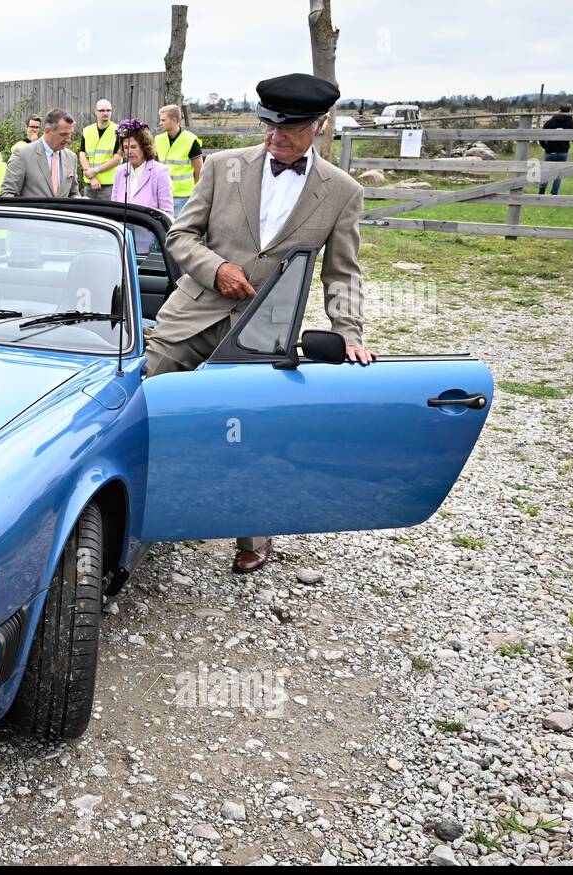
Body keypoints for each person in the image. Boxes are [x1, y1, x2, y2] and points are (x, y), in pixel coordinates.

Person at [145, 73, 374, 575]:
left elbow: (343, 272)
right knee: (146, 410)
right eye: (269, 126)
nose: (275, 137)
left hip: (263, 330)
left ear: (320, 125)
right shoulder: (222, 166)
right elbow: (180, 236)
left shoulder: (343, 191)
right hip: (190, 317)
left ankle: (253, 530)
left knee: (251, 430)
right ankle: (144, 512)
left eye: (289, 129)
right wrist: (217, 269)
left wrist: (349, 333)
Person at [1, 107, 80, 198]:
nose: (69, 140)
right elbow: (7, 194)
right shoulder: (23, 155)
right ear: (47, 131)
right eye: (63, 134)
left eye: (70, 134)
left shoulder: (71, 157)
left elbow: (73, 194)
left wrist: (81, 200)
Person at [110, 119, 173, 215]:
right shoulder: (120, 171)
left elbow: (167, 212)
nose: (129, 151)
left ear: (144, 147)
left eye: (133, 147)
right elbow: (114, 206)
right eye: (126, 147)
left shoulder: (160, 172)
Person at [154, 104, 203, 216]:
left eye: (163, 120)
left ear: (174, 120)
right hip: (162, 193)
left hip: (184, 197)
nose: (160, 123)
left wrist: (197, 195)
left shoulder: (190, 140)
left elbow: (200, 171)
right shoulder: (158, 140)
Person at [80, 98, 120, 198]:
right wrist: (91, 176)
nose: (105, 113)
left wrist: (95, 171)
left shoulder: (118, 131)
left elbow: (117, 159)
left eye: (108, 110)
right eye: (102, 110)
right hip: (89, 182)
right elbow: (82, 155)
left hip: (109, 184)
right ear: (96, 112)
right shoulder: (87, 131)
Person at [539, 103, 573, 196]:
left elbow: (541, 136)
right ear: (569, 111)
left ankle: (541, 192)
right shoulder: (571, 123)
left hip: (550, 151)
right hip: (563, 151)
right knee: (559, 174)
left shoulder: (550, 122)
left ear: (559, 110)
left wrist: (545, 146)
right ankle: (554, 194)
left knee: (546, 172)